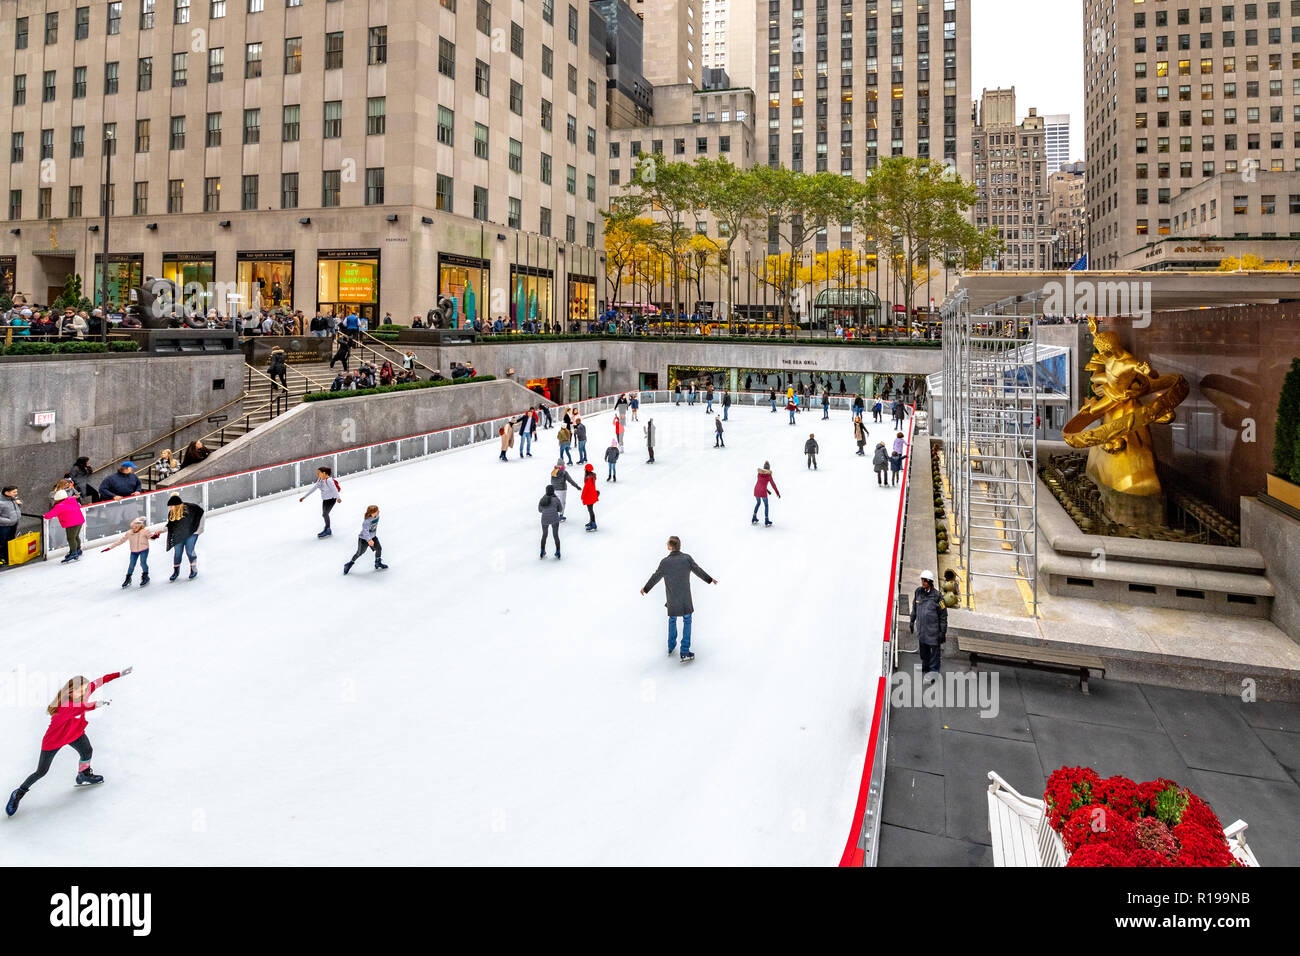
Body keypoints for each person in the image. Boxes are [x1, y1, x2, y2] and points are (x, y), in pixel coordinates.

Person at [6, 667, 134, 816]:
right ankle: (19, 793)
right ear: (70, 691)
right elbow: (80, 708)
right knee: (41, 772)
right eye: (78, 690)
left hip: (75, 734)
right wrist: (97, 704)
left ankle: (83, 774)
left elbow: (101, 681)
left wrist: (119, 674)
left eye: (84, 689)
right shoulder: (65, 706)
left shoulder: (85, 692)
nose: (82, 693)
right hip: (54, 741)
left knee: (87, 751)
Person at [640, 536, 716, 664]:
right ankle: (684, 651)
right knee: (687, 620)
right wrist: (709, 579)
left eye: (667, 544)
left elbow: (655, 577)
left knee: (672, 619)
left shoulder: (665, 562)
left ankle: (671, 646)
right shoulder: (686, 559)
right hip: (685, 598)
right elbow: (698, 570)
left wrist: (646, 588)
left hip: (672, 598)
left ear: (670, 547)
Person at [103, 516, 160, 587]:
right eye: (133, 526)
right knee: (131, 565)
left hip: (144, 549)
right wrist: (109, 547)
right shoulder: (129, 533)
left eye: (136, 527)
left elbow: (151, 537)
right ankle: (128, 578)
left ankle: (145, 576)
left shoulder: (145, 531)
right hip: (134, 551)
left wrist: (156, 535)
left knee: (143, 563)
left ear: (140, 526)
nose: (134, 528)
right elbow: (120, 541)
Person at [909, 570, 947, 674]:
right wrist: (912, 620)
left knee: (935, 655)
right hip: (922, 630)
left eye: (925, 581)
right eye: (922, 580)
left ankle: (934, 672)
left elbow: (943, 616)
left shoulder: (938, 597)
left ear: (930, 582)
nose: (922, 583)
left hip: (933, 632)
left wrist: (942, 632)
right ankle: (925, 667)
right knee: (923, 651)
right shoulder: (918, 592)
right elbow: (914, 608)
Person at [165, 495, 204, 581]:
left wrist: (199, 530)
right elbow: (171, 525)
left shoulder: (191, 508)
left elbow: (201, 512)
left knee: (190, 551)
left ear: (177, 505)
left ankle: (193, 569)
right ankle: (176, 571)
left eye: (171, 506)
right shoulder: (171, 513)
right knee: (178, 553)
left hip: (191, 534)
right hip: (179, 535)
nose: (170, 508)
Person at [44, 484, 86, 562]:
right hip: (79, 521)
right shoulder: (72, 500)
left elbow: (51, 514)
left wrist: (44, 516)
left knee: (71, 538)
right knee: (76, 536)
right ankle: (78, 550)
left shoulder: (59, 506)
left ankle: (73, 552)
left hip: (71, 523)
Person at [300, 466, 342, 538]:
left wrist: (338, 498)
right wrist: (304, 496)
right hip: (325, 500)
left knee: (325, 514)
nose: (317, 474)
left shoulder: (329, 480)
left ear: (324, 473)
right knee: (324, 514)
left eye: (319, 473)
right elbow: (314, 488)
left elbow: (334, 490)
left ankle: (328, 530)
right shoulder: (320, 479)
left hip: (331, 499)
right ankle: (327, 528)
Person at [344, 505, 387, 575]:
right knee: (360, 553)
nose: (379, 511)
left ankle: (377, 562)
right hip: (363, 539)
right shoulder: (366, 521)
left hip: (373, 537)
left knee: (379, 548)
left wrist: (372, 538)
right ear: (372, 513)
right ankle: (349, 564)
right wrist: (369, 540)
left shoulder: (377, 516)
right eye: (377, 511)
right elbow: (365, 531)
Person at [751, 462, 780, 526]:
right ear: (769, 468)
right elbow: (773, 485)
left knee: (758, 503)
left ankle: (754, 517)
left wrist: (768, 491)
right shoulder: (769, 475)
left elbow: (760, 483)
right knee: (766, 505)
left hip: (756, 490)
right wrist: (777, 492)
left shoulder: (759, 473)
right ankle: (766, 520)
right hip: (762, 491)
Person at [538, 485, 563, 559]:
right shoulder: (556, 499)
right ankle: (558, 551)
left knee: (544, 535)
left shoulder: (542, 499)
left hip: (544, 519)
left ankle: (542, 551)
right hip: (554, 519)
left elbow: (540, 510)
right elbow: (560, 509)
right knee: (555, 535)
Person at [0, 485, 22, 562]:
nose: (16, 493)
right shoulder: (1, 502)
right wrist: (9, 521)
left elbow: (12, 510)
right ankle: (1, 558)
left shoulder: (12, 499)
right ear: (7, 493)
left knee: (10, 541)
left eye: (16, 491)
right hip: (4, 526)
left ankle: (8, 557)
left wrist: (18, 504)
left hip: (13, 524)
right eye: (14, 492)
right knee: (2, 542)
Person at [581, 464, 600, 531]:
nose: (584, 471)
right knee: (590, 510)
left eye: (585, 469)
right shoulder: (592, 477)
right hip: (592, 495)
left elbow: (586, 488)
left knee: (590, 510)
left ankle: (594, 524)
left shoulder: (589, 478)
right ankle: (591, 522)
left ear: (587, 470)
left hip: (589, 496)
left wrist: (582, 496)